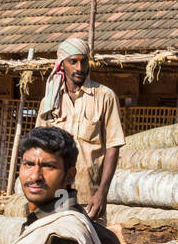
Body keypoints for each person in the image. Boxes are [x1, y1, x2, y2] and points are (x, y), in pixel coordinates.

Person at [34, 36, 125, 222]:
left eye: (83, 61)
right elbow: (38, 151)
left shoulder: (104, 97)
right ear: (62, 65)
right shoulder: (49, 102)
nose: (79, 68)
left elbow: (113, 147)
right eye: (73, 62)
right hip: (53, 195)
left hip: (88, 198)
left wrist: (102, 192)